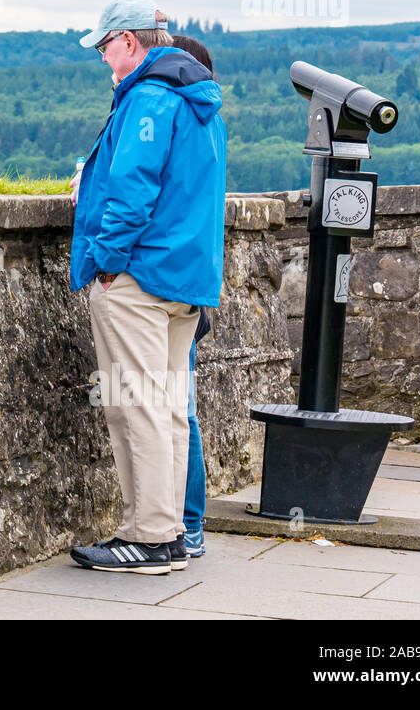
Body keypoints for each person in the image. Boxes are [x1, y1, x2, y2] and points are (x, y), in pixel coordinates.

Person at [67, 0, 226, 575]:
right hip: (186, 280)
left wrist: (107, 262)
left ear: (128, 41)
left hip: (139, 277)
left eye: (105, 45)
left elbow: (133, 189)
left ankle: (151, 536)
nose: (103, 56)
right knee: (167, 407)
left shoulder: (150, 98)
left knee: (136, 405)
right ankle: (173, 532)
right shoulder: (201, 100)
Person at [170, 33, 217, 560]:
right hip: (193, 288)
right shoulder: (206, 126)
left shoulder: (181, 124)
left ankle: (187, 524)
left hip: (174, 286)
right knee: (181, 409)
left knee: (179, 411)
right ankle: (188, 522)